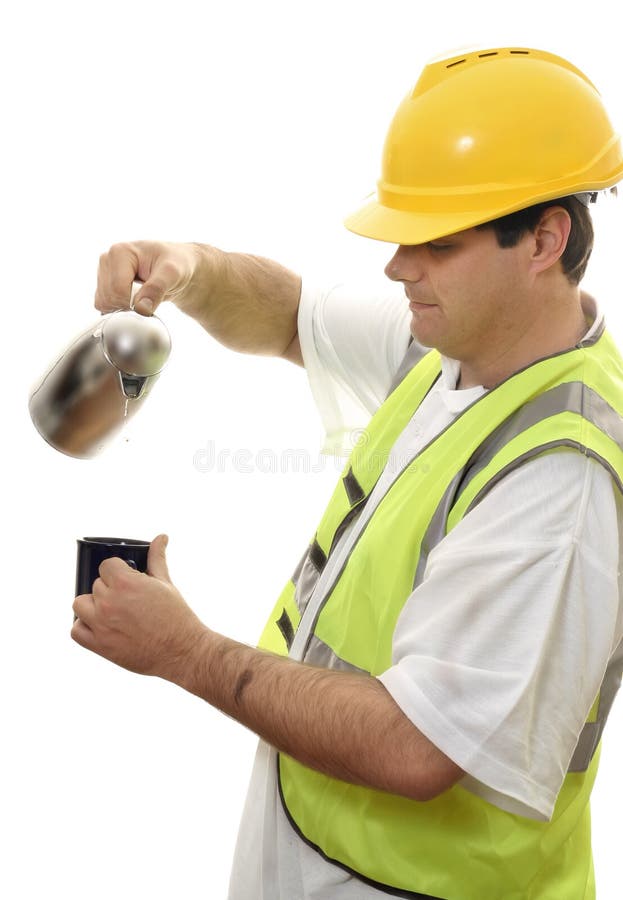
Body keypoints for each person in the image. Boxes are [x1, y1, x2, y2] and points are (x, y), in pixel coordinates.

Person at [72, 46, 623, 899]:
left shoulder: (561, 478)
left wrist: (184, 652)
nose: (399, 266)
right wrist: (187, 266)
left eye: (435, 242)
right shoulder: (457, 350)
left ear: (544, 240)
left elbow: (415, 747)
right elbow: (289, 316)